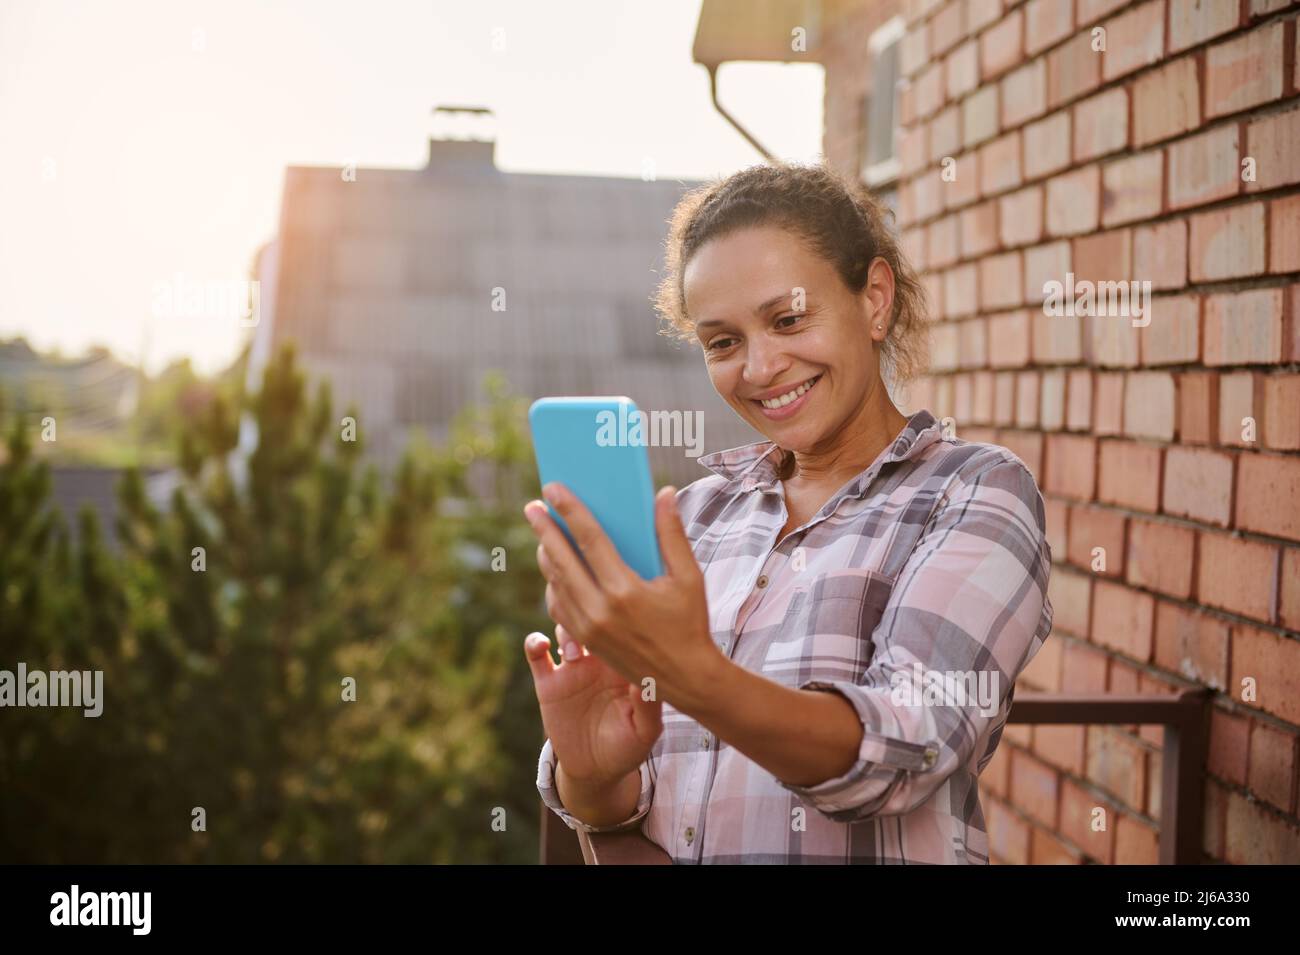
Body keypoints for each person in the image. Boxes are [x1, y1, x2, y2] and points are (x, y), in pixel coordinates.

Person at [522, 161, 1054, 864]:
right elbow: (633, 822)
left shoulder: (974, 492)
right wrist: (594, 776)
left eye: (788, 319)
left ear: (875, 300)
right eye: (723, 341)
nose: (760, 367)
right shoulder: (692, 519)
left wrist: (693, 675)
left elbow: (911, 744)